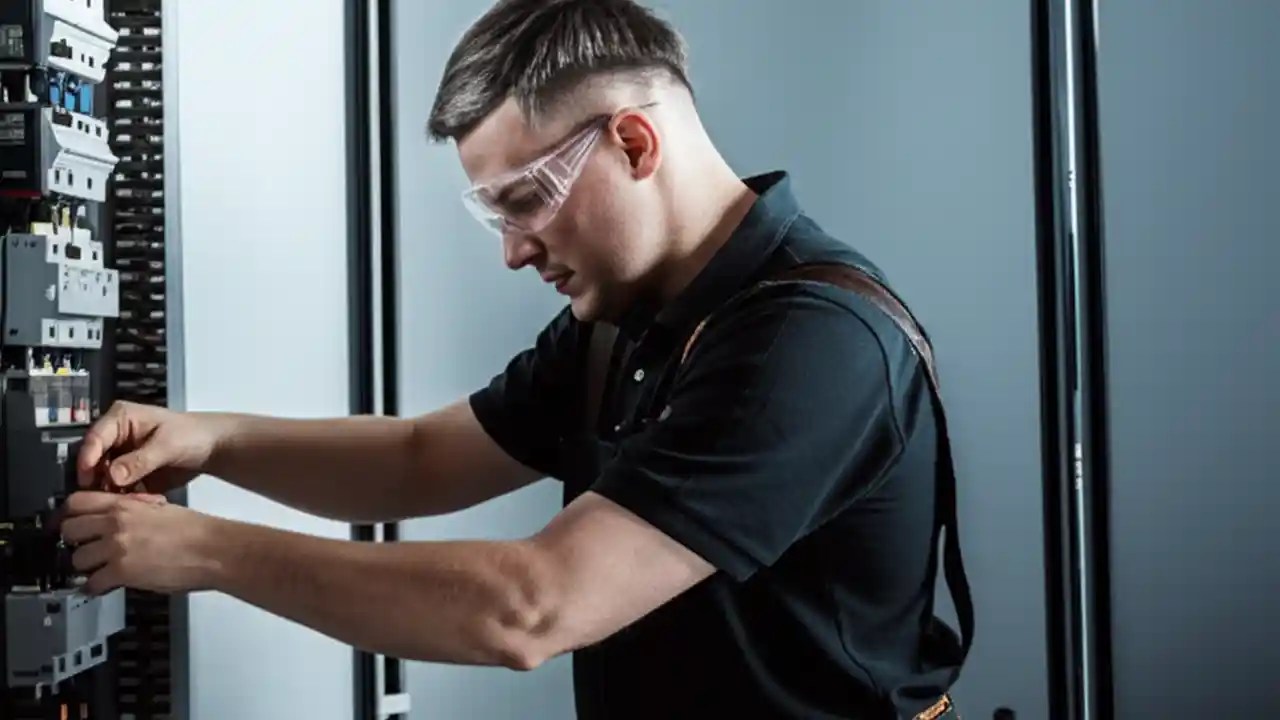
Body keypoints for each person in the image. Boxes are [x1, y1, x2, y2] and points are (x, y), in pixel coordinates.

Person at [59, 0, 971, 717]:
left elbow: (534, 605)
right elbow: (423, 456)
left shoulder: (809, 344)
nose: (513, 250)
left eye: (525, 200)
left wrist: (206, 552)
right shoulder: (626, 318)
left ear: (634, 142)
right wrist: (212, 442)